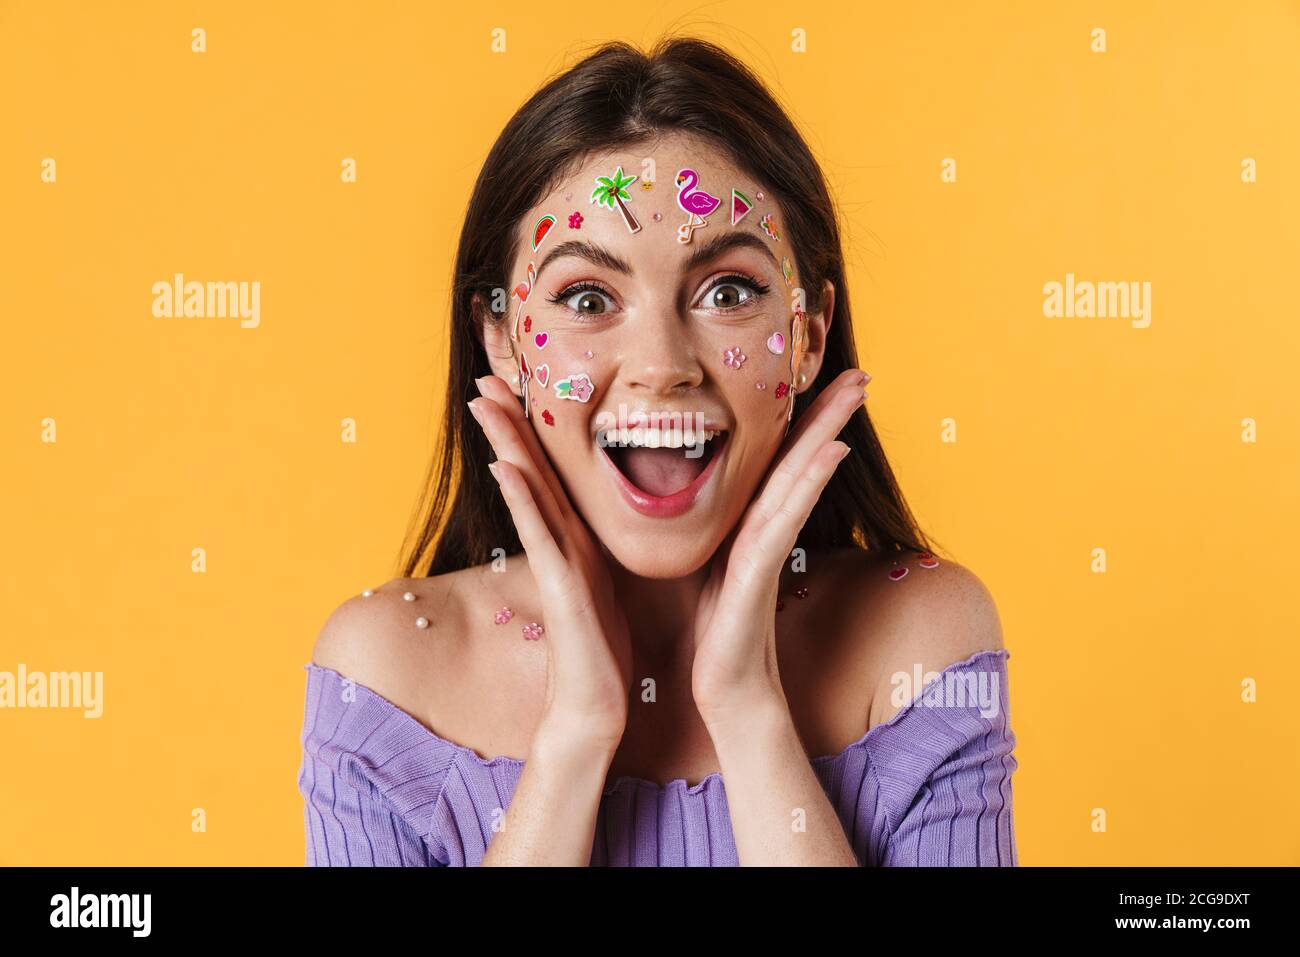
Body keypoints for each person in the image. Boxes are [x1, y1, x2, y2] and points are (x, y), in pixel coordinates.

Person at [298, 36, 1018, 866]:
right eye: (588, 296)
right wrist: (574, 732)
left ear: (809, 335)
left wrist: (748, 709)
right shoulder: (388, 676)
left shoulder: (920, 644)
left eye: (729, 291)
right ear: (501, 340)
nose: (662, 367)